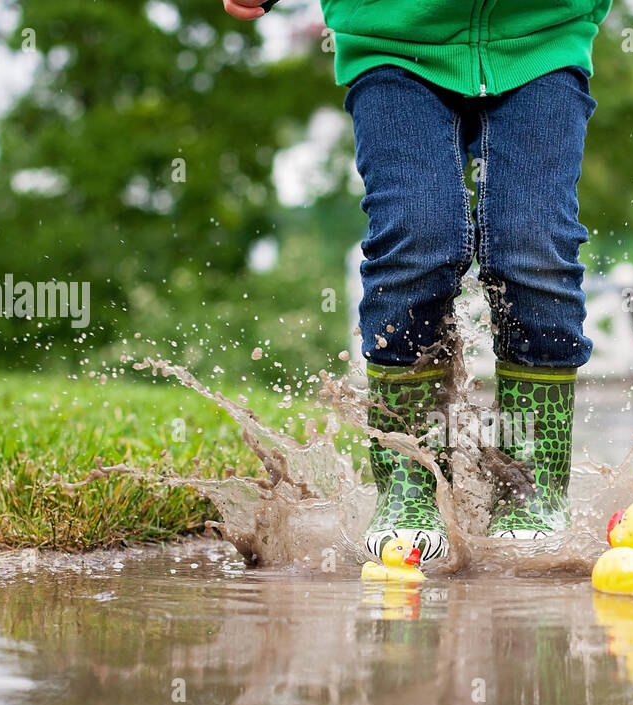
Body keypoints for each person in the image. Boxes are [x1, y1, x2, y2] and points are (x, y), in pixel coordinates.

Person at [223, 0, 612, 561]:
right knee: (417, 237)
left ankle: (532, 480)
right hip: (392, 36)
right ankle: (408, 477)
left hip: (542, 35)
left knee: (533, 246)